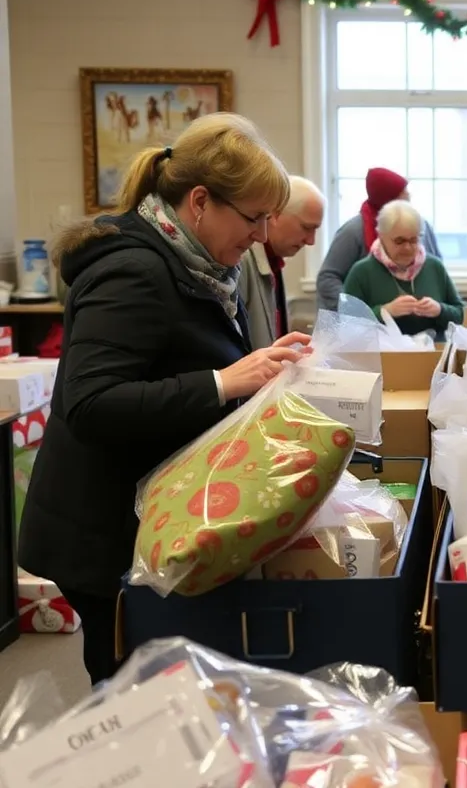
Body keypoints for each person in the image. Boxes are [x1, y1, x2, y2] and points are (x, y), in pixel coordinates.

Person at [17, 113, 312, 686]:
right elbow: (91, 402)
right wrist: (225, 382)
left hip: (141, 516)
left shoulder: (189, 263)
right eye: (253, 218)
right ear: (200, 201)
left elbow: (171, 355)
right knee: (131, 690)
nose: (259, 235)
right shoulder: (133, 271)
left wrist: (256, 365)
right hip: (103, 532)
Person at [316, 167, 441, 311]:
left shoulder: (422, 226)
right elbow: (328, 278)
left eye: (413, 240)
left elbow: (436, 272)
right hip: (368, 325)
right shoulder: (353, 232)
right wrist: (356, 310)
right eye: (402, 198)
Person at [343, 199, 464, 339]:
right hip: (382, 357)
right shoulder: (361, 272)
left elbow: (461, 314)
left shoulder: (434, 267)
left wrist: (440, 310)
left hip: (434, 355)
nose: (407, 247)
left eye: (413, 240)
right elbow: (347, 325)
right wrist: (385, 311)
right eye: (399, 241)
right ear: (381, 237)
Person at [238, 175, 324, 349]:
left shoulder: (273, 261)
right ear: (276, 214)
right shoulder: (241, 259)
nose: (311, 241)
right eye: (307, 228)